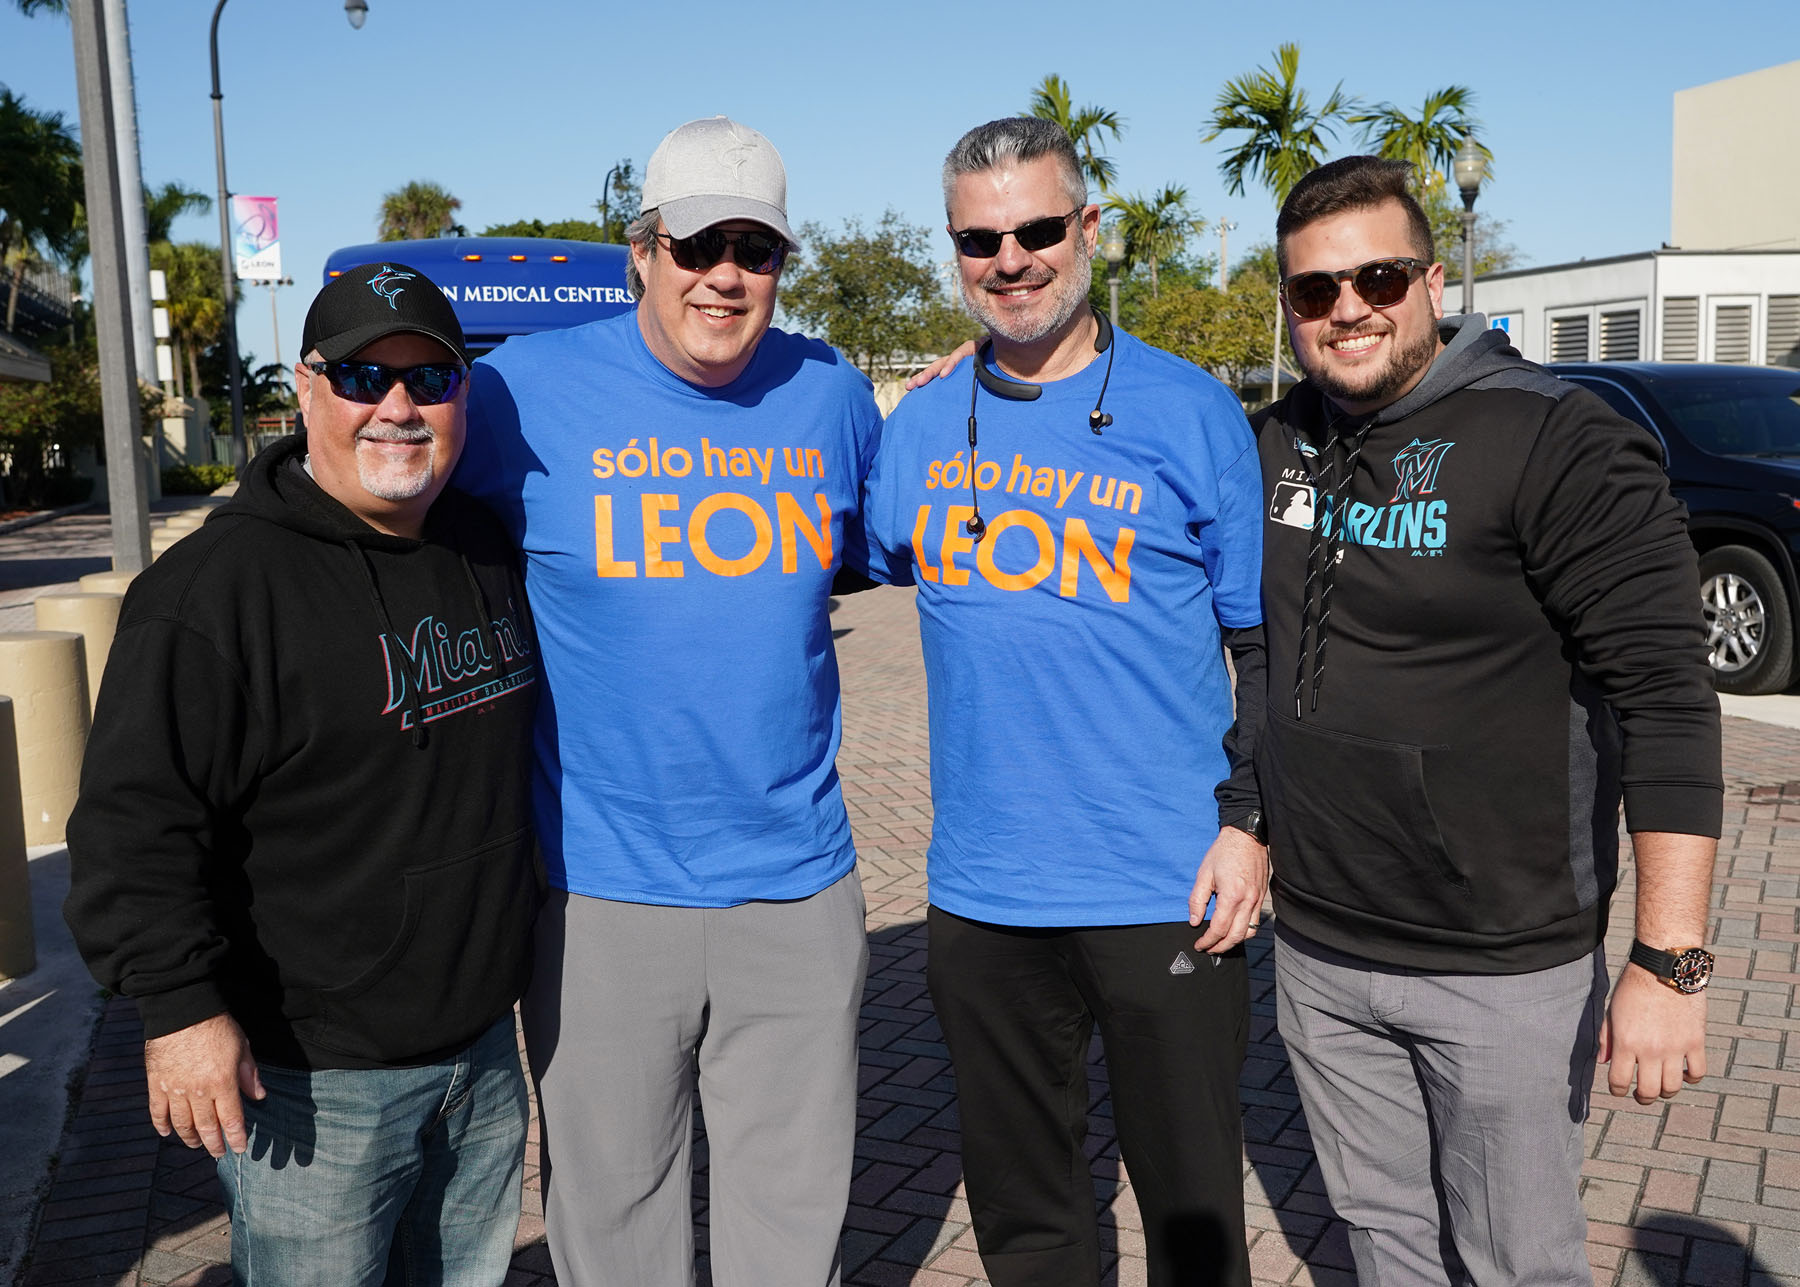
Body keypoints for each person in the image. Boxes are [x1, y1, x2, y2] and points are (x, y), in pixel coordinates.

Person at [1249, 155, 1722, 1285]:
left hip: (1500, 961)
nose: (1348, 308)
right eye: (1315, 290)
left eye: (1377, 278)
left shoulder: (1557, 438)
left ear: (1432, 280)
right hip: (1319, 944)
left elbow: (1666, 698)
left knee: (1516, 1261)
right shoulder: (1272, 440)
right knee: (1383, 1239)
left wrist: (1669, 962)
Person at [453, 116, 880, 1287]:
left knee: (791, 1242)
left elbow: (910, 533)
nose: (725, 277)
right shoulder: (518, 393)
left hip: (795, 892)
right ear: (642, 251)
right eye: (697, 247)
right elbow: (383, 488)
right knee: (614, 1233)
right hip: (599, 898)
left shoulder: (832, 394)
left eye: (756, 250)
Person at [64, 260, 541, 1284]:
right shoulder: (211, 593)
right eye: (365, 377)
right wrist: (180, 1010)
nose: (399, 407)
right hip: (313, 1080)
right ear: (307, 385)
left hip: (481, 1050)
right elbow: (130, 829)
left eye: (430, 379)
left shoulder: (484, 544)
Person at [859, 115, 1265, 1286]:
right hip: (983, 896)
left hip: (1165, 887)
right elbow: (852, 565)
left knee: (1193, 1217)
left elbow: (1264, 646)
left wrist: (1251, 825)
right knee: (1026, 1219)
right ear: (954, 249)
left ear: (1088, 227)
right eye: (980, 240)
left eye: (1038, 230)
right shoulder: (922, 424)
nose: (1012, 260)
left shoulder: (1192, 412)